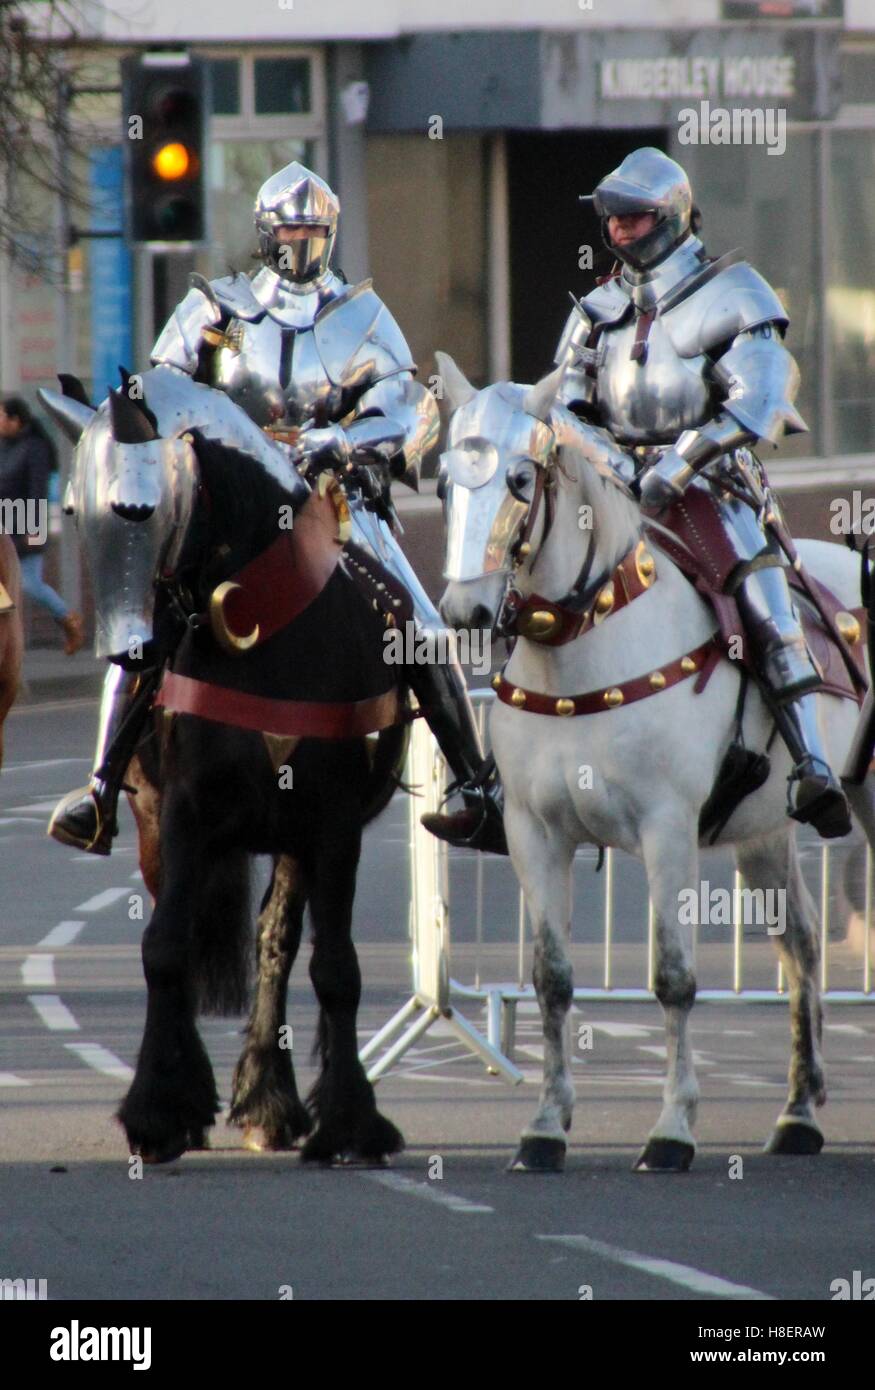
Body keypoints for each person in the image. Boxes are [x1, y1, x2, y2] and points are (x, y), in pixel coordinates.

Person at [48, 161, 506, 856]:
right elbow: (161, 397)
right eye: (290, 227)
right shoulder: (224, 312)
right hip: (230, 507)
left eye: (313, 228)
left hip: (334, 503)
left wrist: (342, 439)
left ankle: (474, 786)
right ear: (266, 233)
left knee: (424, 627)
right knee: (146, 619)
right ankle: (101, 788)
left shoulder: (359, 316)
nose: (301, 239)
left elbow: (409, 411)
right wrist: (198, 376)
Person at [544, 145, 849, 838]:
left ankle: (809, 764)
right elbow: (562, 405)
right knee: (528, 580)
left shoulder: (736, 293)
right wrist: (611, 463)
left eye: (634, 217)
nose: (619, 231)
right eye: (612, 219)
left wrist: (677, 464)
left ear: (672, 216)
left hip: (711, 487)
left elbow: (763, 397)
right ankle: (503, 775)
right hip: (610, 485)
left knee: (762, 594)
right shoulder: (596, 307)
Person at [0, 397, 84, 655]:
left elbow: (38, 490)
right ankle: (7, 638)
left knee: (29, 583)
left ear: (16, 420)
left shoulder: (35, 447)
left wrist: (34, 531)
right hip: (4, 521)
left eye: (2, 416)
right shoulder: (4, 447)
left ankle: (68, 619)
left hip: (26, 518)